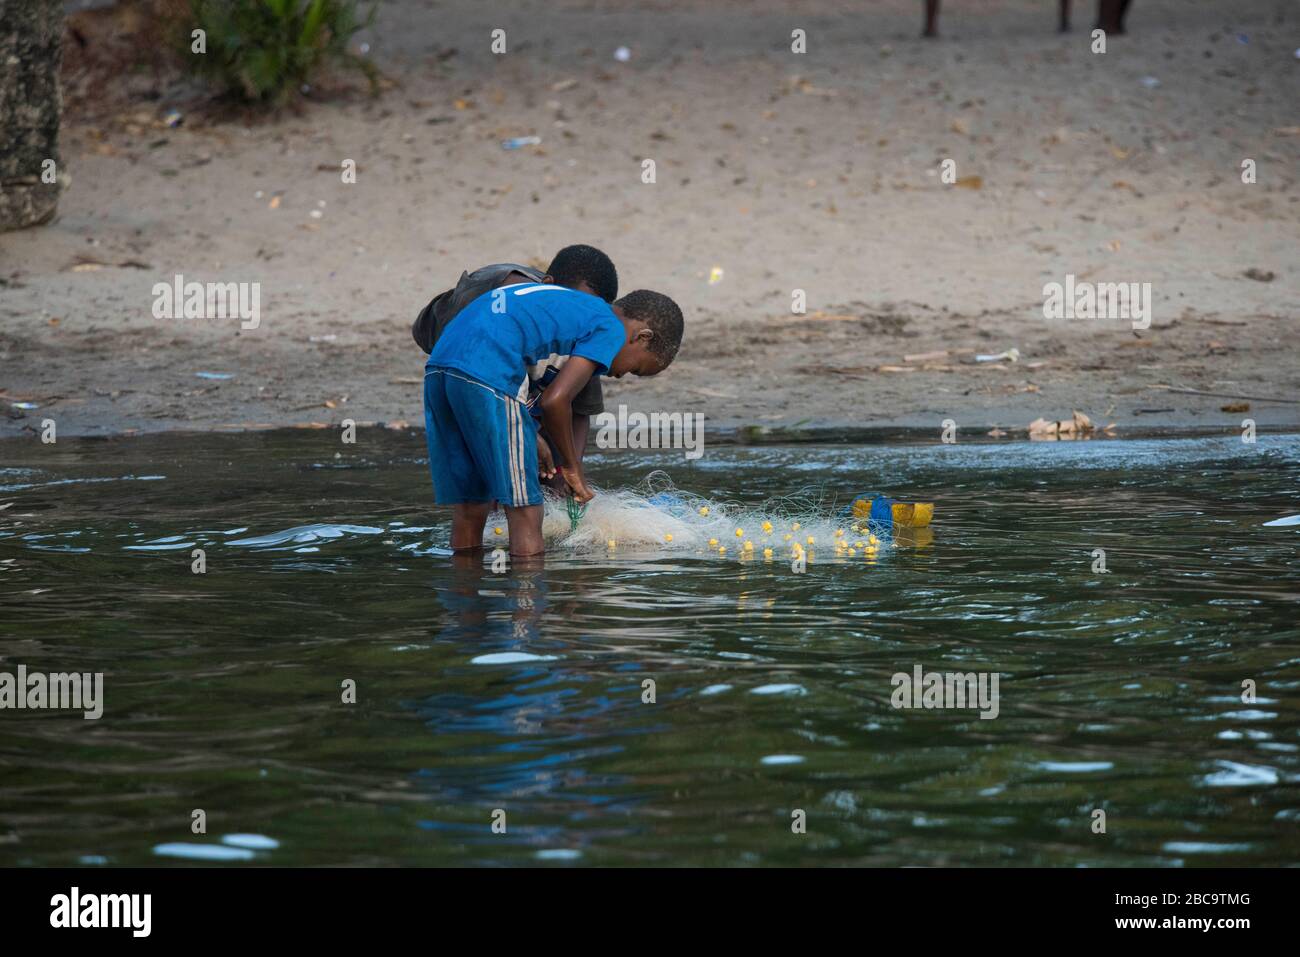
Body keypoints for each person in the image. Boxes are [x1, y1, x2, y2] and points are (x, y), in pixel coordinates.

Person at [424, 283, 684, 557]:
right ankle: (529, 595)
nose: (620, 375)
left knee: (471, 503)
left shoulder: (580, 308)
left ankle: (465, 592)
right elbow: (555, 401)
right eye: (636, 368)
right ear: (641, 337)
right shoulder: (610, 327)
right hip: (488, 369)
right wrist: (572, 468)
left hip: (440, 366)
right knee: (526, 509)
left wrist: (529, 432)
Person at [413, 244, 619, 488]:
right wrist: (527, 432)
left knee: (551, 471)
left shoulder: (586, 323)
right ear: (548, 284)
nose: (578, 312)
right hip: (460, 357)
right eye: (573, 301)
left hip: (521, 370)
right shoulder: (487, 299)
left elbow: (580, 410)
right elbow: (480, 389)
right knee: (488, 476)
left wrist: (570, 470)